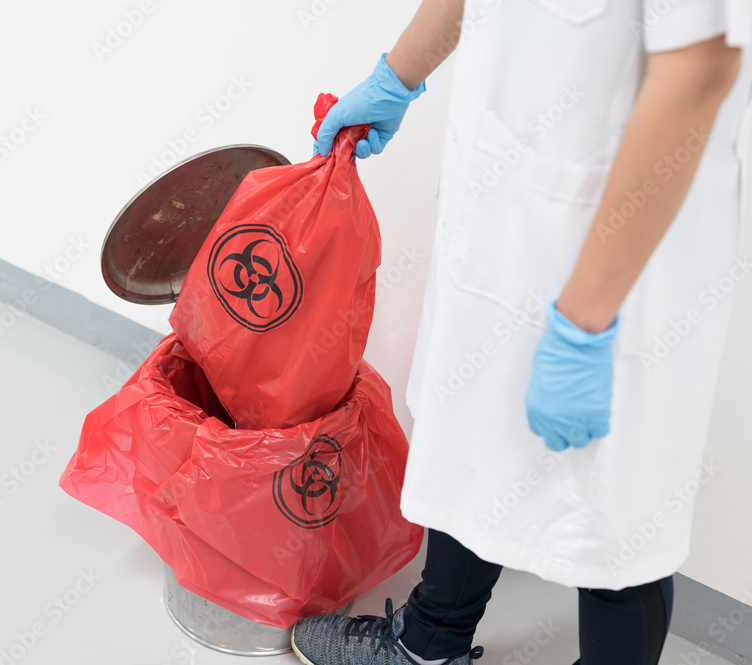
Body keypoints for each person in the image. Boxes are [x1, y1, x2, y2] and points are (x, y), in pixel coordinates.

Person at [290, 1, 749, 664]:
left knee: (613, 512)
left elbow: (701, 68)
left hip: (625, 252)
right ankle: (428, 643)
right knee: (476, 429)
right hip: (507, 204)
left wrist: (582, 327)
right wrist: (397, 76)